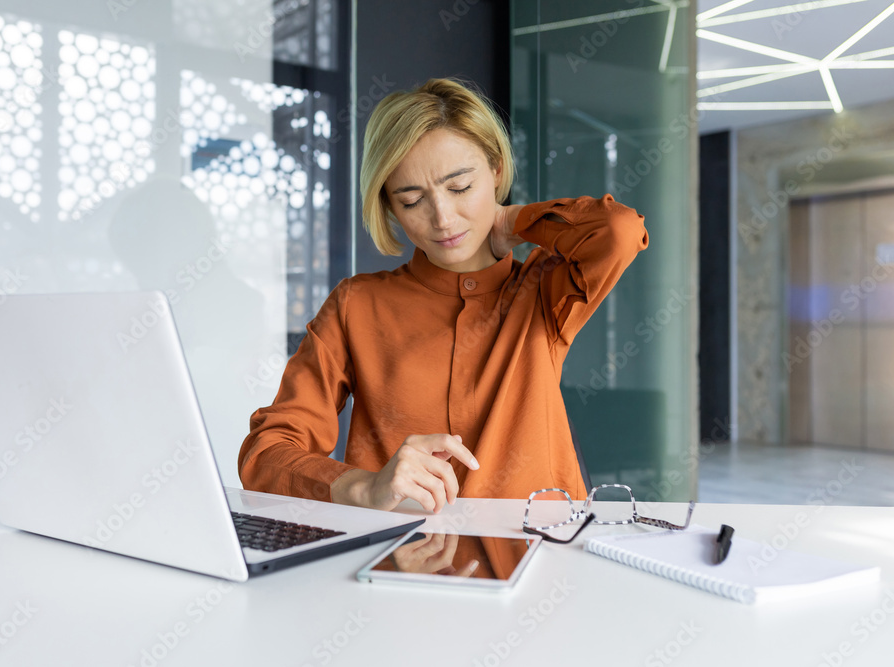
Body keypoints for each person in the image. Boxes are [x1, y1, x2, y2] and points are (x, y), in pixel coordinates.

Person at [238, 77, 648, 514]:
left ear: (495, 171)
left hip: (539, 544)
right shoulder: (356, 306)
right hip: (399, 549)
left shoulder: (543, 290)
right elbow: (265, 454)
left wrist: (511, 221)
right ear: (389, 206)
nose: (443, 219)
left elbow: (619, 231)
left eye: (460, 187)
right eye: (411, 200)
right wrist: (363, 486)